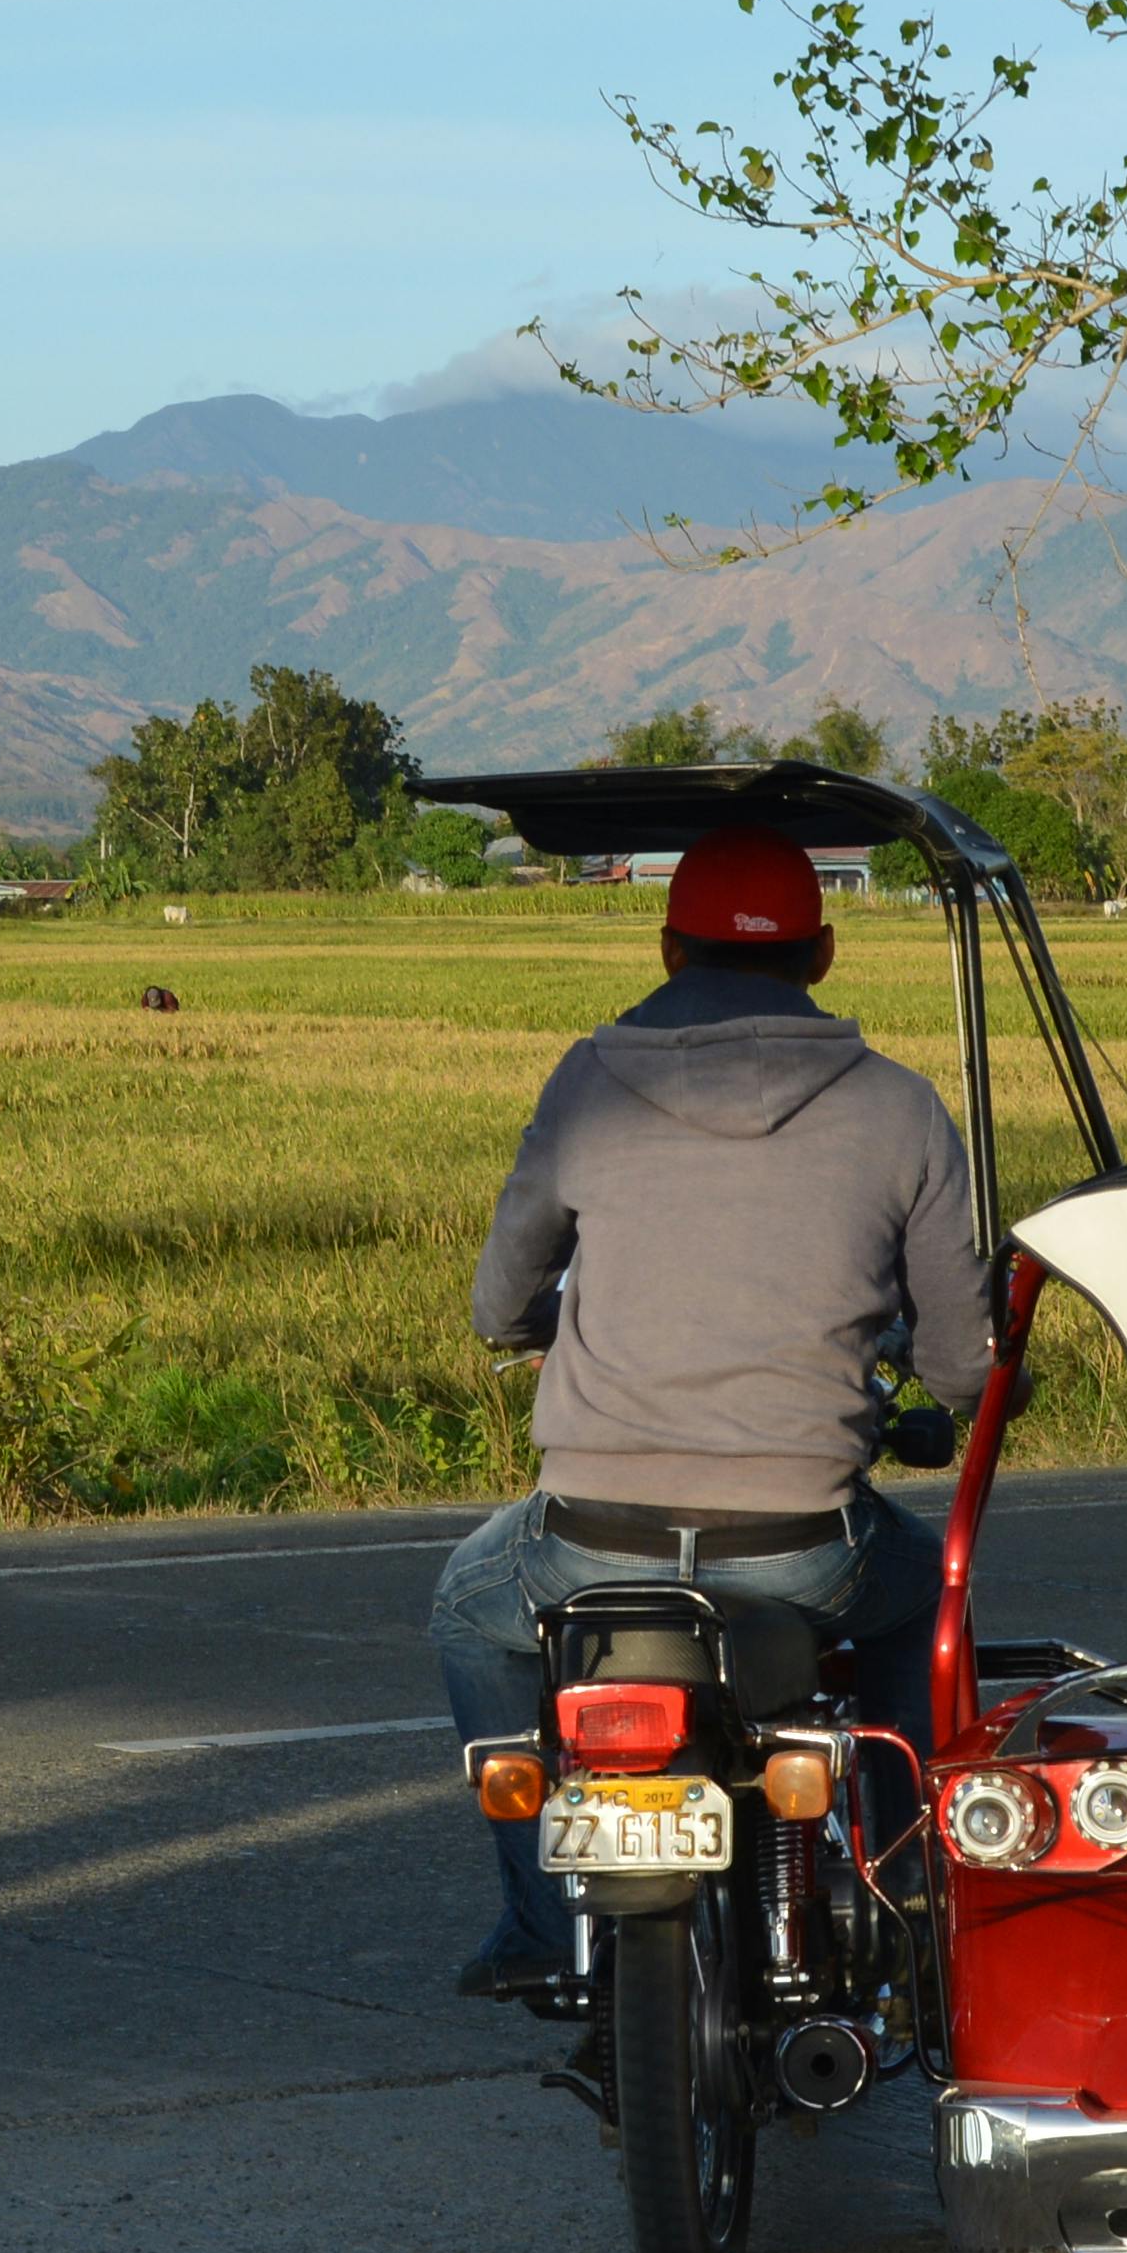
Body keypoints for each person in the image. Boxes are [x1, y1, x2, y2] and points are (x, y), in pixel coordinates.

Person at [436, 820, 990, 1999]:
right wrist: (968, 1390)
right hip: (802, 1551)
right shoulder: (899, 1107)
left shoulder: (591, 1079)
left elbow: (499, 1302)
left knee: (464, 1610)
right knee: (921, 1609)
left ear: (668, 950)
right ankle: (904, 1898)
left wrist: (554, 1333)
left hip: (591, 1544)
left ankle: (538, 1921)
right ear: (824, 953)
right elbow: (963, 1360)